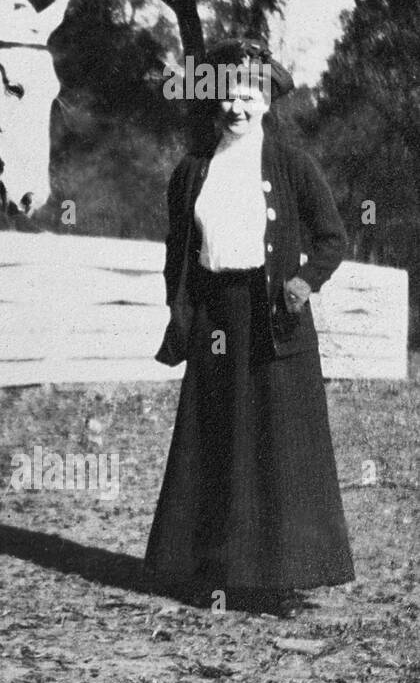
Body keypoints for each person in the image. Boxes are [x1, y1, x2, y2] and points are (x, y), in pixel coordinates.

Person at [147, 39, 355, 617]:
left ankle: (278, 578)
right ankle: (211, 572)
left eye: (249, 95)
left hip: (272, 322)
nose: (237, 107)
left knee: (276, 444)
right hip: (216, 318)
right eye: (227, 96)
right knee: (214, 441)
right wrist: (178, 307)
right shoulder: (192, 168)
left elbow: (333, 236)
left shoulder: (292, 164)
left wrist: (305, 281)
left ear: (265, 102)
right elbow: (178, 249)